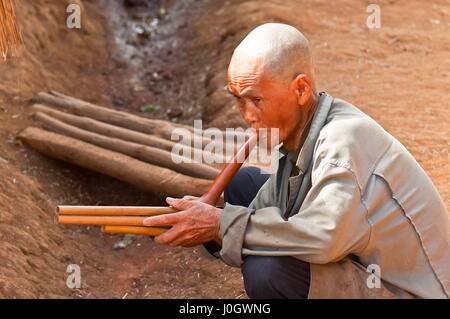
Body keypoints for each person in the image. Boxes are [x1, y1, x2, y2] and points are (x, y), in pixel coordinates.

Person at [143, 23, 449, 298]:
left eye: (256, 100)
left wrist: (220, 224)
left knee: (268, 272)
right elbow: (264, 212)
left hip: (401, 290)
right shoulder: (301, 132)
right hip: (357, 253)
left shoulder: (343, 142)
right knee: (244, 184)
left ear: (301, 89)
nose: (248, 116)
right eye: (238, 99)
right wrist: (211, 226)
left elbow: (324, 237)